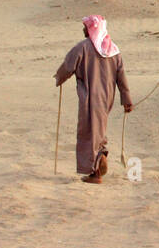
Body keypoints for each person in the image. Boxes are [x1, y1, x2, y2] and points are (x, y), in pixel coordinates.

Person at [54, 15, 132, 184]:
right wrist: (126, 99)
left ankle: (95, 172)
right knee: (98, 131)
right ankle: (100, 161)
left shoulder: (83, 47)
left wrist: (59, 78)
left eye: (86, 27)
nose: (84, 30)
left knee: (90, 132)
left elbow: (68, 65)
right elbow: (122, 78)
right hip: (106, 99)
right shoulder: (113, 50)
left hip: (90, 98)